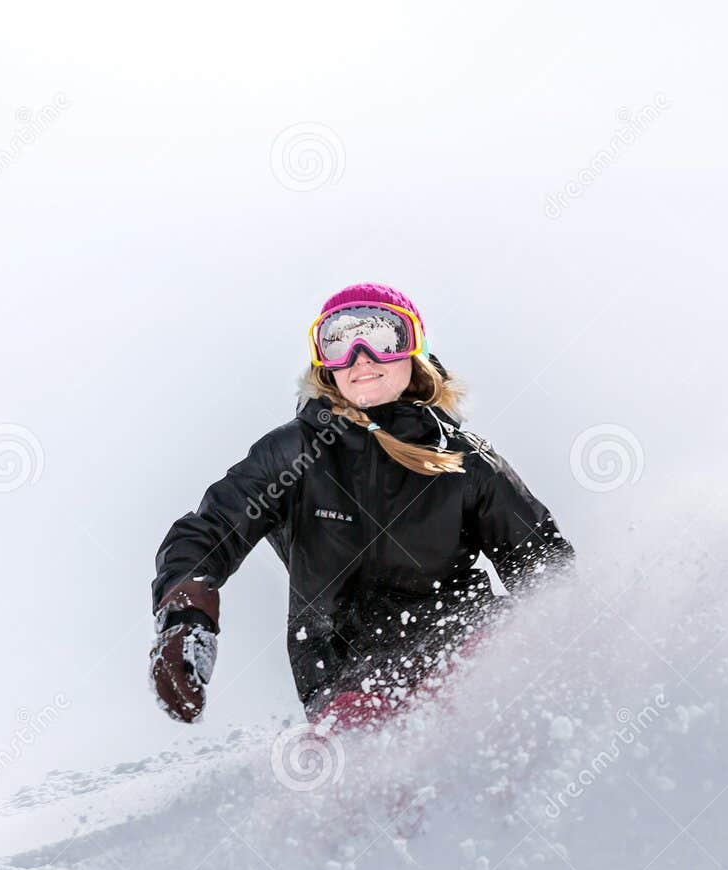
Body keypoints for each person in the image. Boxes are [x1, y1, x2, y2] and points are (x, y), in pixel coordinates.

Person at [150, 283, 574, 729]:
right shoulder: (294, 456)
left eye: (382, 337)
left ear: (412, 350)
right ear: (323, 361)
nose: (360, 358)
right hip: (348, 676)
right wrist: (186, 616)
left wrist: (555, 643)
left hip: (465, 645)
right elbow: (213, 528)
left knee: (486, 680)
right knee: (365, 744)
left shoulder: (462, 461)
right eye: (339, 341)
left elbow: (541, 562)